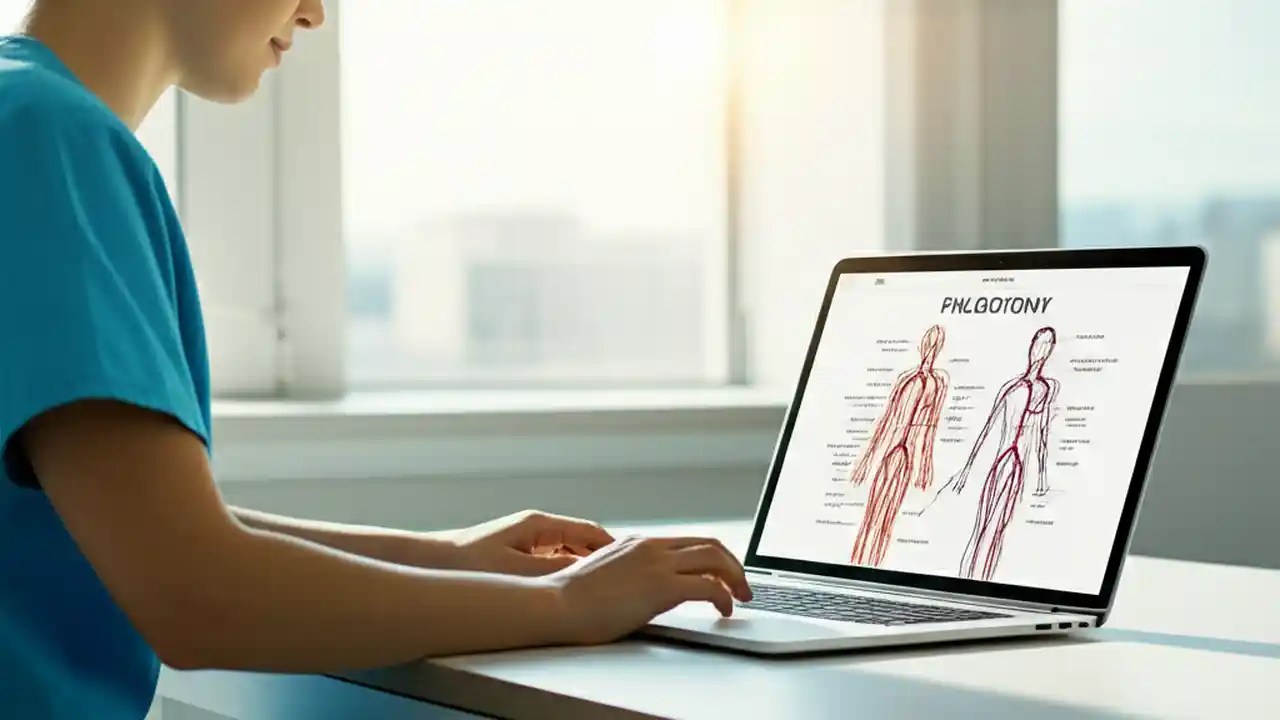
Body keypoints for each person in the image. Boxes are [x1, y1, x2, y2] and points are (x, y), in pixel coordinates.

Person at [0, 2, 752, 717]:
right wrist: (565, 605)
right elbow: (193, 588)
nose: (314, 11)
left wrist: (447, 556)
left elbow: (136, 527)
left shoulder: (23, 114)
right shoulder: (54, 143)